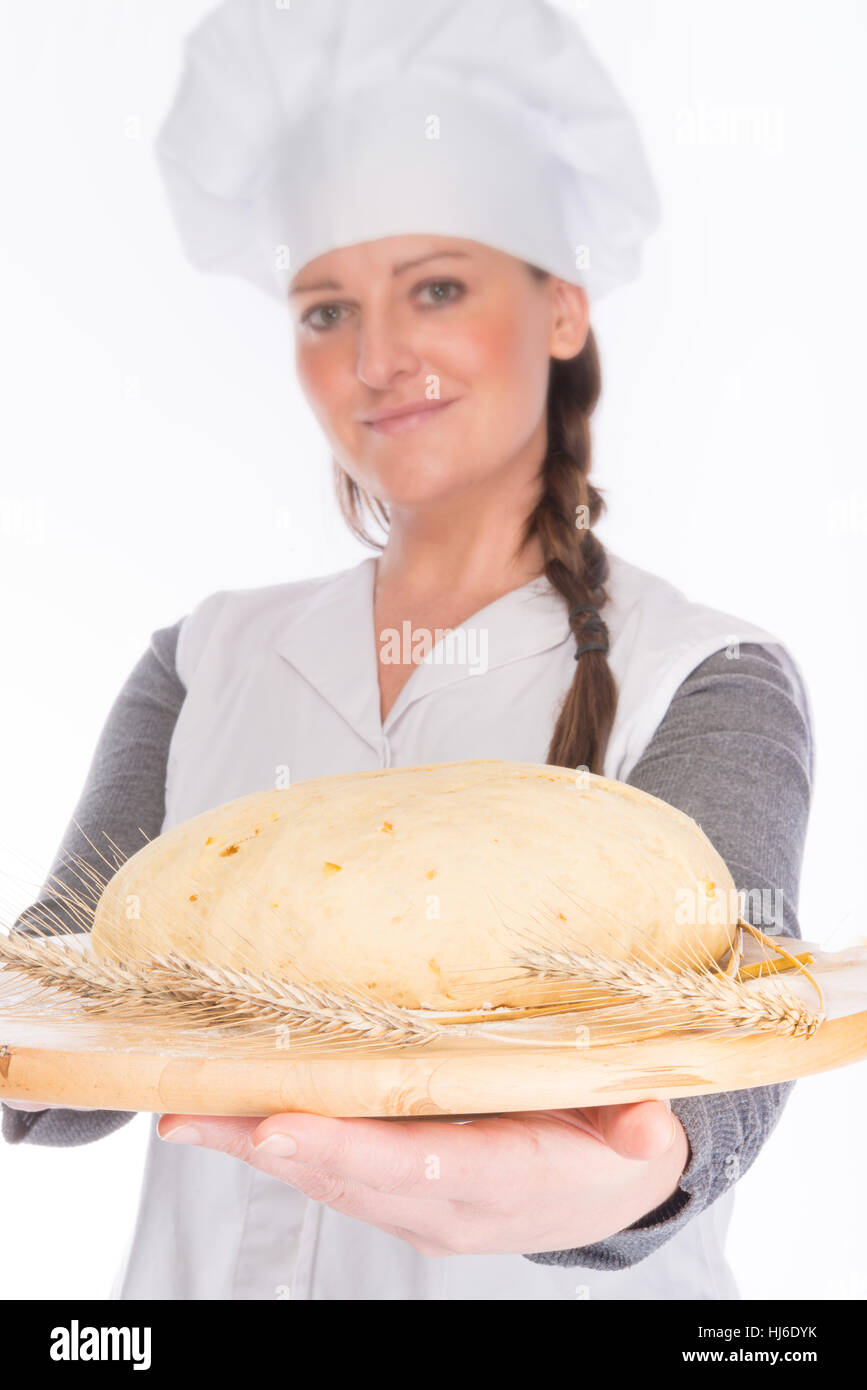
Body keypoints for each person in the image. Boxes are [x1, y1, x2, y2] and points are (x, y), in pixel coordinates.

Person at [2, 0, 813, 1300]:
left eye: (437, 287)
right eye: (325, 309)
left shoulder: (711, 672)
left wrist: (638, 1169)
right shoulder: (204, 655)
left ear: (562, 310)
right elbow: (72, 1002)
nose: (377, 357)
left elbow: (742, 1022)